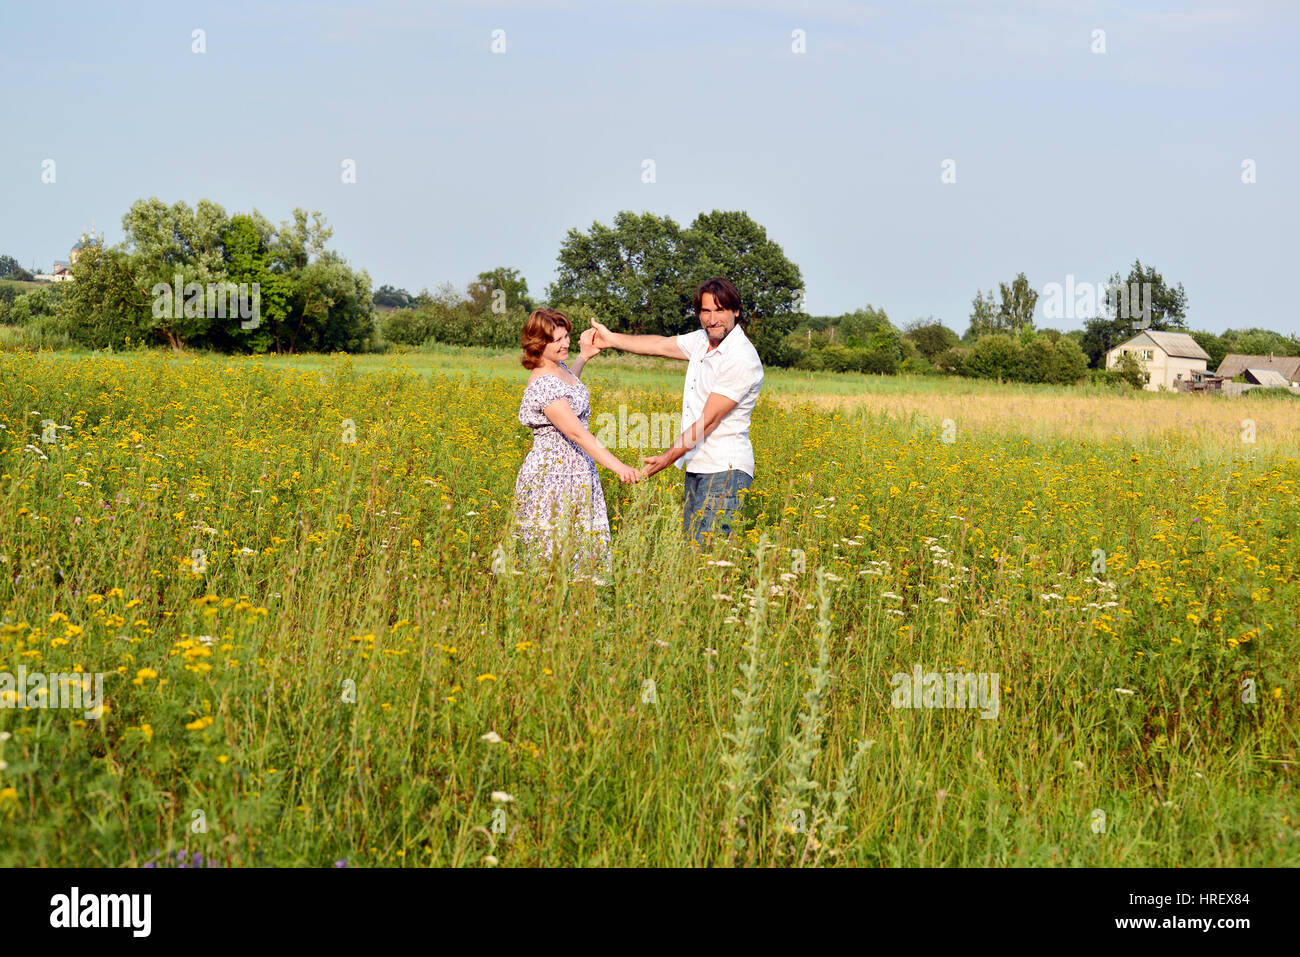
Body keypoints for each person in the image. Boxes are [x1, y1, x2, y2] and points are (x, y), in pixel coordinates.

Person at [588, 278, 763, 546]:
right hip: (698, 464)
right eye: (706, 311)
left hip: (725, 470)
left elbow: (709, 420)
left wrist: (665, 460)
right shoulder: (702, 341)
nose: (712, 319)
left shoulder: (740, 357)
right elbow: (659, 345)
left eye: (720, 310)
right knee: (693, 554)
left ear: (736, 311)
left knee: (709, 558)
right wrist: (611, 339)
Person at [513, 307, 640, 581]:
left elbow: (570, 389)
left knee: (579, 550)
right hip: (553, 476)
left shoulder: (559, 370)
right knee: (552, 556)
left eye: (567, 336)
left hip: (576, 471)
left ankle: (575, 611)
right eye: (557, 340)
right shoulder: (543, 383)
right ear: (538, 343)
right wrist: (619, 467)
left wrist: (584, 356)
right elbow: (577, 433)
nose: (565, 343)